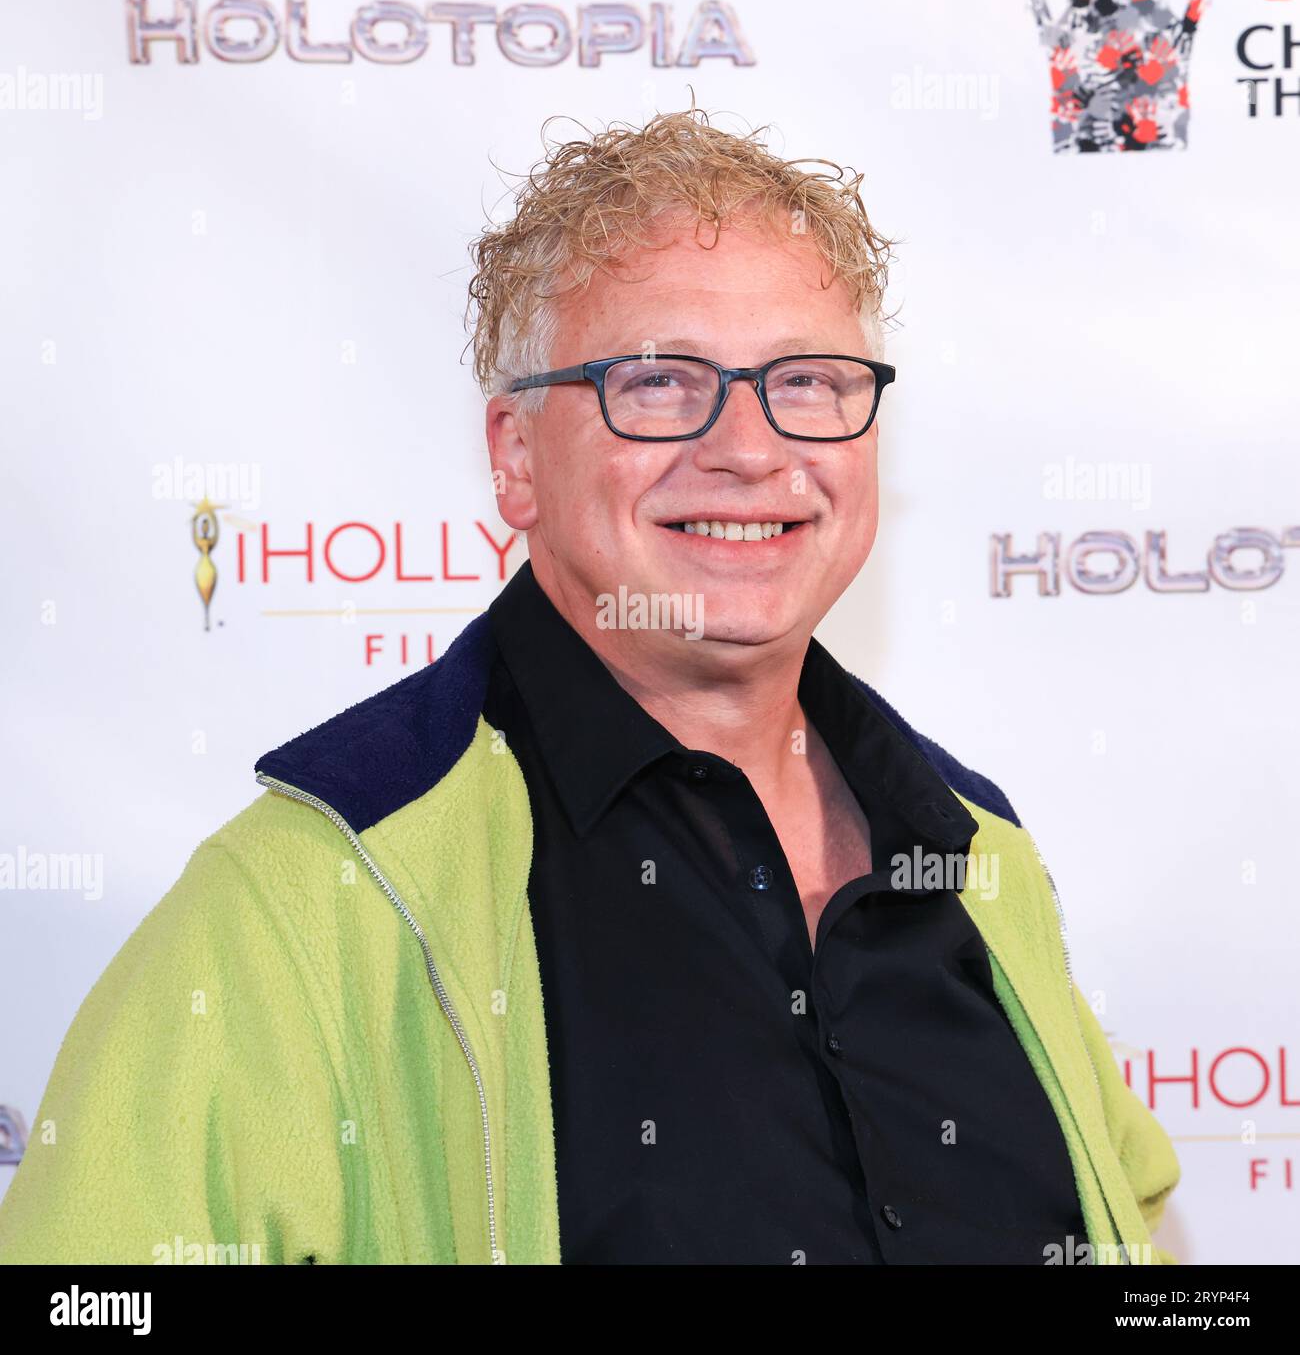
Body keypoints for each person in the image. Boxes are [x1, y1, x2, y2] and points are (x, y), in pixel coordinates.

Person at [0, 106, 1179, 1266]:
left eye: (807, 381)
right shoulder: (319, 893)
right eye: (661, 383)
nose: (751, 449)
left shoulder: (977, 852)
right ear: (515, 458)